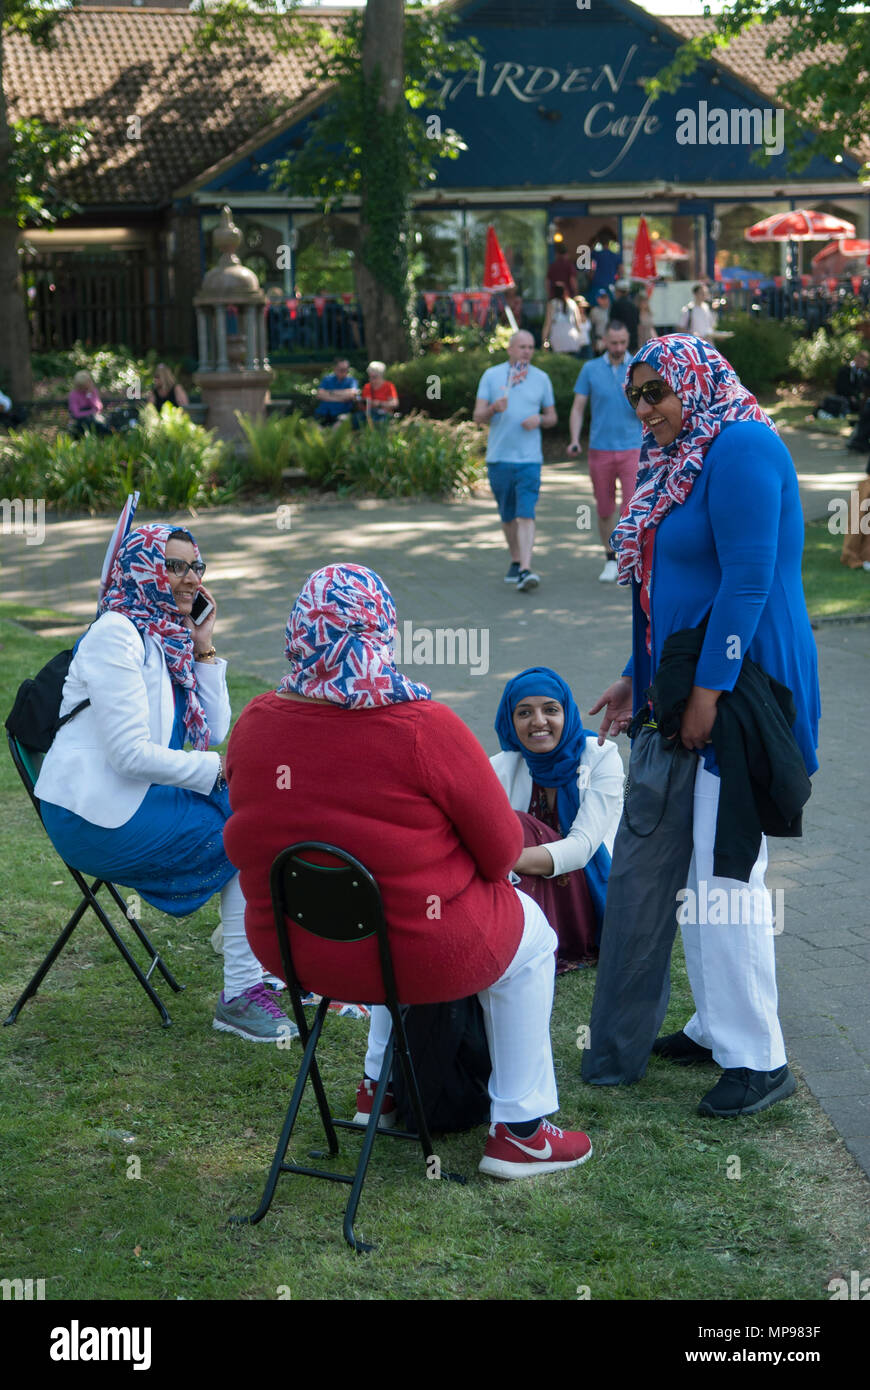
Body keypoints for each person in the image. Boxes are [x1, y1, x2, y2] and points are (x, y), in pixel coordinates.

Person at [223, 563, 594, 1180]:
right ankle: (522, 1132)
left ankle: (379, 1090)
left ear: (298, 633)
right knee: (530, 942)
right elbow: (503, 850)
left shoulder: (257, 721)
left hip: (296, 949)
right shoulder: (425, 726)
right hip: (416, 950)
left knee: (377, 913)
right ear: (384, 631)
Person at [584, 333, 820, 1118]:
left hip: (747, 686)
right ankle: (718, 1025)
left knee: (727, 875)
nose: (644, 410)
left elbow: (749, 580)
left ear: (695, 382)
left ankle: (759, 1058)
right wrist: (637, 677)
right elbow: (673, 590)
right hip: (696, 680)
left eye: (655, 392)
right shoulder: (683, 455)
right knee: (698, 874)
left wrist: (708, 694)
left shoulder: (743, 444)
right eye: (635, 398)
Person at [32, 523, 295, 1044]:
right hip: (93, 816)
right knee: (242, 837)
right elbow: (129, 754)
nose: (190, 578)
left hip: (141, 797)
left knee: (254, 818)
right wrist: (215, 771)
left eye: (196, 565)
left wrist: (203, 645)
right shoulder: (117, 634)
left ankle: (252, 943)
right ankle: (242, 988)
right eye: (173, 564)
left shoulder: (168, 635)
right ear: (140, 569)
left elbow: (212, 731)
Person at [490, 668, 622, 973]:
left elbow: (582, 848)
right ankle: (516, 940)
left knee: (517, 827)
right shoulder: (501, 767)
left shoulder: (601, 757)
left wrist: (502, 859)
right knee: (505, 827)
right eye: (524, 712)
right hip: (523, 884)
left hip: (590, 884)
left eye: (550, 710)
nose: (538, 721)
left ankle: (526, 943)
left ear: (567, 714)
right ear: (510, 721)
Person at [473, 331, 557, 593]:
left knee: (526, 514)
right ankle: (516, 559)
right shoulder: (492, 376)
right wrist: (492, 410)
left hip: (529, 459)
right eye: (522, 347)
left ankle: (525, 569)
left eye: (531, 347)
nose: (526, 351)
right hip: (499, 458)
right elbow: (477, 417)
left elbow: (552, 416)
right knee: (508, 516)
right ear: (510, 349)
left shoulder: (541, 379)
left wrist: (540, 420)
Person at [567, 323, 643, 582]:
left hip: (633, 447)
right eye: (614, 343)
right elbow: (578, 407)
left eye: (623, 343)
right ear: (604, 341)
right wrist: (575, 439)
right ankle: (610, 558)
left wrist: (634, 397)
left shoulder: (638, 369)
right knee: (604, 508)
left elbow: (650, 409)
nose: (619, 348)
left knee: (631, 506)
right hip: (600, 449)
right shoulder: (590, 369)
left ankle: (629, 558)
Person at [542, 284, 588, 357]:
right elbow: (578, 324)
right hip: (573, 339)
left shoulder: (552, 304)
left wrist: (544, 341)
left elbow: (547, 324)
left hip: (557, 339)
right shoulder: (572, 303)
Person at [314, 357, 359, 424]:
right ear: (335, 369)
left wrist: (330, 393)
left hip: (342, 414)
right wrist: (342, 398)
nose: (344, 371)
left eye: (346, 369)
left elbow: (352, 394)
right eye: (342, 369)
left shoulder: (351, 381)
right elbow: (319, 394)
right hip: (323, 413)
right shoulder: (327, 379)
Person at [68, 370, 110, 436]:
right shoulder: (73, 395)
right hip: (80, 421)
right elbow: (76, 414)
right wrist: (91, 412)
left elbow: (98, 408)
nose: (83, 389)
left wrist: (89, 395)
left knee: (103, 423)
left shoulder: (92, 391)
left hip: (94, 418)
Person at [607, 280, 640, 352]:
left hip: (619, 342)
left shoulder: (616, 304)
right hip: (633, 341)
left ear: (618, 291)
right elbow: (638, 324)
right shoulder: (633, 305)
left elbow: (612, 323)